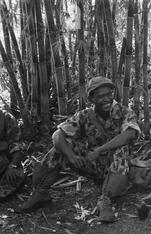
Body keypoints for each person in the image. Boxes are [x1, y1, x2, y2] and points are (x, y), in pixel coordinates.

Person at [18, 77, 141, 222]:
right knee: (60, 147)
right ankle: (40, 193)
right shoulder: (84, 115)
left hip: (118, 170)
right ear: (91, 99)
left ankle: (106, 201)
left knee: (123, 149)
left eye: (109, 94)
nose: (107, 99)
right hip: (93, 166)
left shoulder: (124, 112)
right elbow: (57, 135)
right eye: (101, 96)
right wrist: (71, 156)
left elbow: (129, 134)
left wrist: (100, 150)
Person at [0, 107, 26, 199]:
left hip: (4, 162)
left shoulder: (6, 118)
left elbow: (17, 144)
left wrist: (13, 166)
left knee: (15, 177)